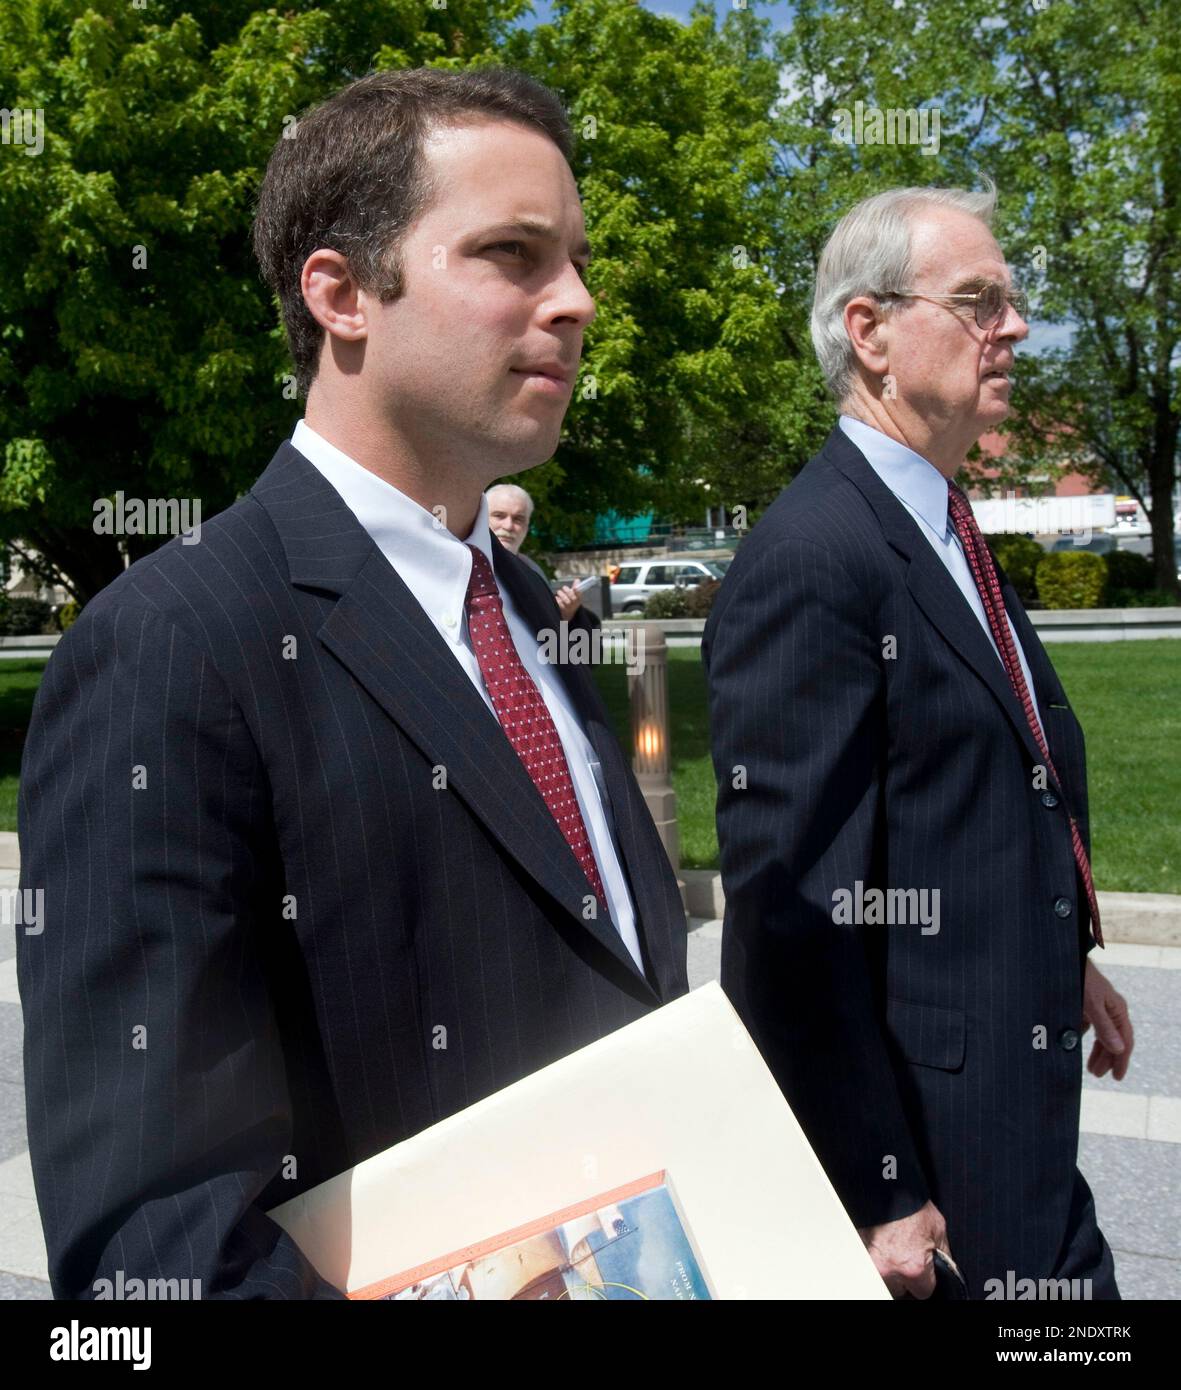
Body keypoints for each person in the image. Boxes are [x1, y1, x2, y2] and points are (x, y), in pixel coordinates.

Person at [17, 66, 688, 1300]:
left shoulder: (530, 610)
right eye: (511, 255)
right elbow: (153, 1254)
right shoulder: (171, 643)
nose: (578, 303)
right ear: (339, 295)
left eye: (578, 262)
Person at [703, 184, 1133, 1301]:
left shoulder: (937, 520)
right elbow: (791, 914)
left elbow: (979, 787)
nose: (1016, 328)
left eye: (1011, 300)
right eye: (979, 299)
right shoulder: (814, 555)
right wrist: (875, 1187)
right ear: (869, 331)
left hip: (1011, 1110)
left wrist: (1061, 956)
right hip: (929, 1154)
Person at [485, 481, 598, 627]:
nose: (508, 526)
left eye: (518, 519)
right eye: (499, 516)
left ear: (527, 525)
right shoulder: (467, 565)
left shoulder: (533, 571)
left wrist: (564, 614)